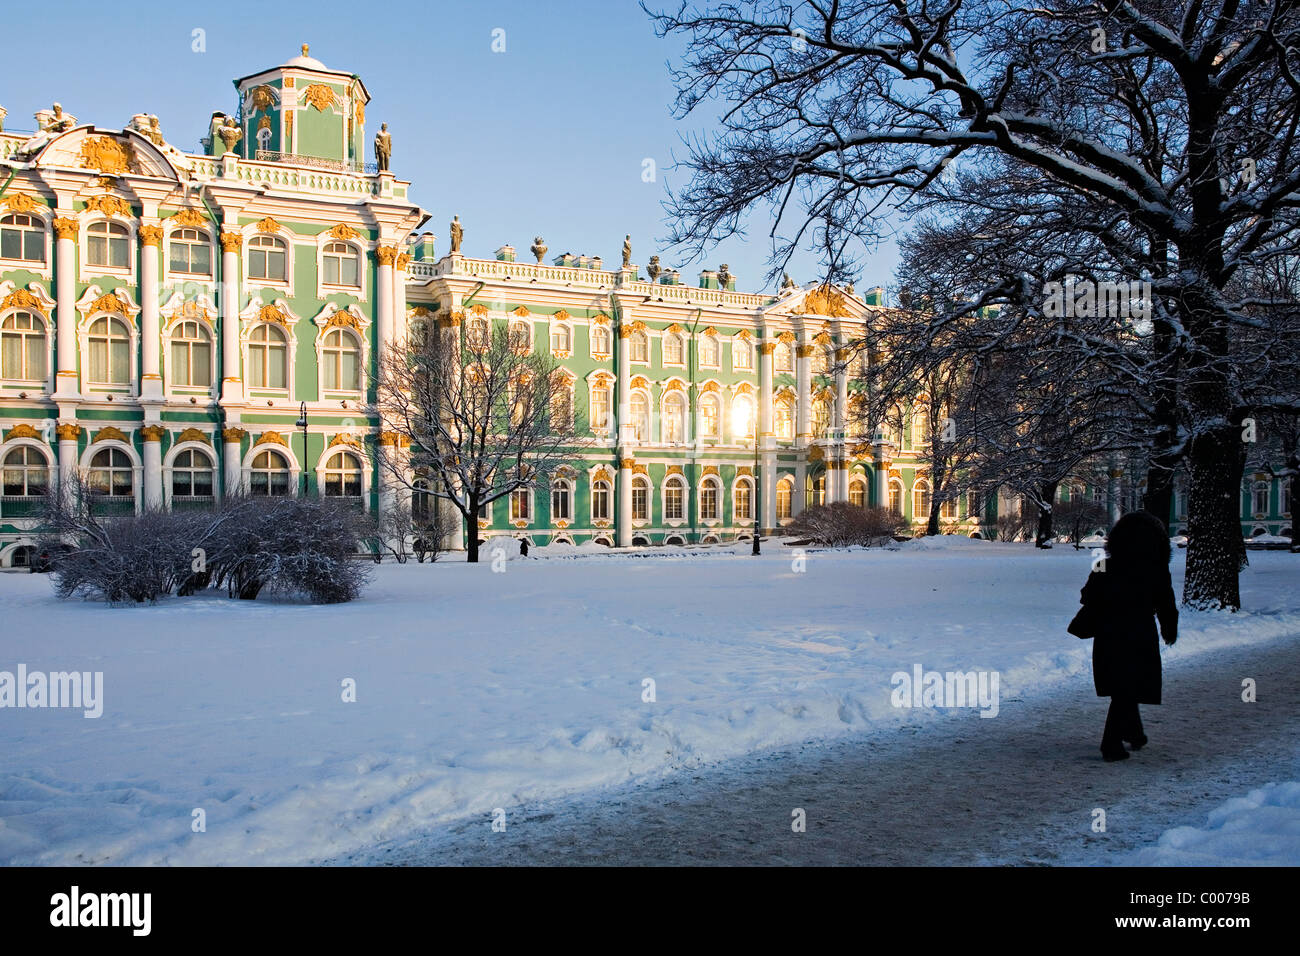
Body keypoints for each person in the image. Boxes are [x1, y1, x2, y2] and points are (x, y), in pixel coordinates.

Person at [1068, 511, 1178, 761]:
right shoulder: (1155, 568)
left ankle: (1134, 734)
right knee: (1128, 686)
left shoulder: (1105, 564)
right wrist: (1169, 628)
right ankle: (1111, 743)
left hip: (1108, 632)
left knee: (1122, 685)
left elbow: (1087, 595)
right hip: (1139, 632)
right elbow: (1165, 602)